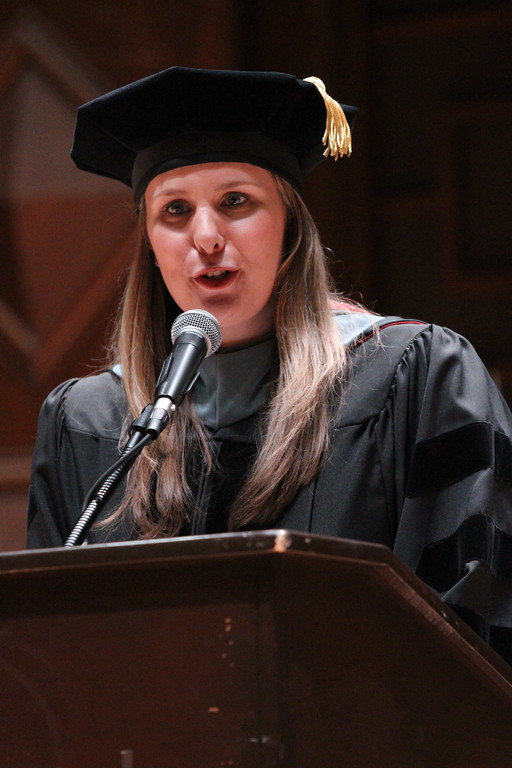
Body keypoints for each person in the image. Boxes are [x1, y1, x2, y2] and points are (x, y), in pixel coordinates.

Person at [27, 66, 512, 664]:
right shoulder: (90, 425)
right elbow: (55, 664)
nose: (205, 236)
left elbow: (470, 636)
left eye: (236, 201)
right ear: (150, 245)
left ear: (289, 229)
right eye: (174, 210)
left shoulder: (412, 379)